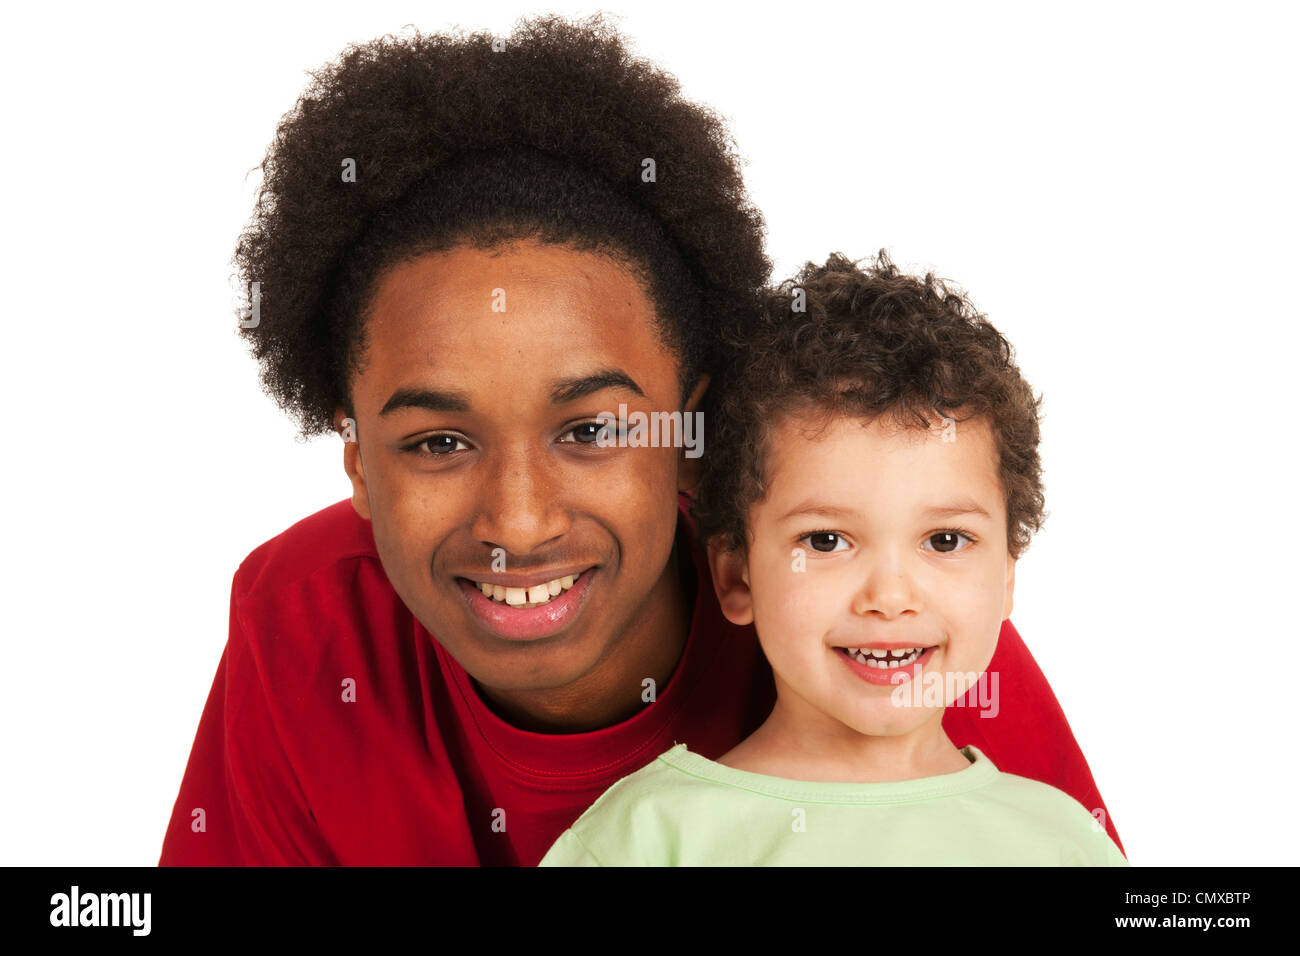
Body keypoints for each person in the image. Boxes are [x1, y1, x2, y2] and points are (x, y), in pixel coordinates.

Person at [159, 16, 1123, 866]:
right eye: (438, 443)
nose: (520, 520)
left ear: (689, 439)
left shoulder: (897, 632)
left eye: (592, 429)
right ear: (358, 461)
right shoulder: (300, 627)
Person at [540, 252, 1130, 865]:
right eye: (825, 541)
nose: (890, 597)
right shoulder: (645, 838)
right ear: (737, 576)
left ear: (1007, 576)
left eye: (945, 540)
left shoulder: (1062, 841)